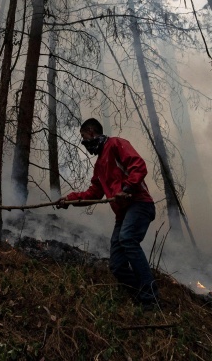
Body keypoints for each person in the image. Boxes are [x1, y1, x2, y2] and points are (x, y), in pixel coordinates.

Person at [57, 118, 159, 309]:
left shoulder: (116, 144)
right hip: (122, 214)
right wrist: (69, 200)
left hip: (139, 203)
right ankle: (139, 294)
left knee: (127, 238)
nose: (84, 143)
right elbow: (93, 194)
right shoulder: (99, 166)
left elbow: (138, 165)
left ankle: (150, 297)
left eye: (83, 137)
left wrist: (127, 188)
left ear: (91, 132)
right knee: (117, 265)